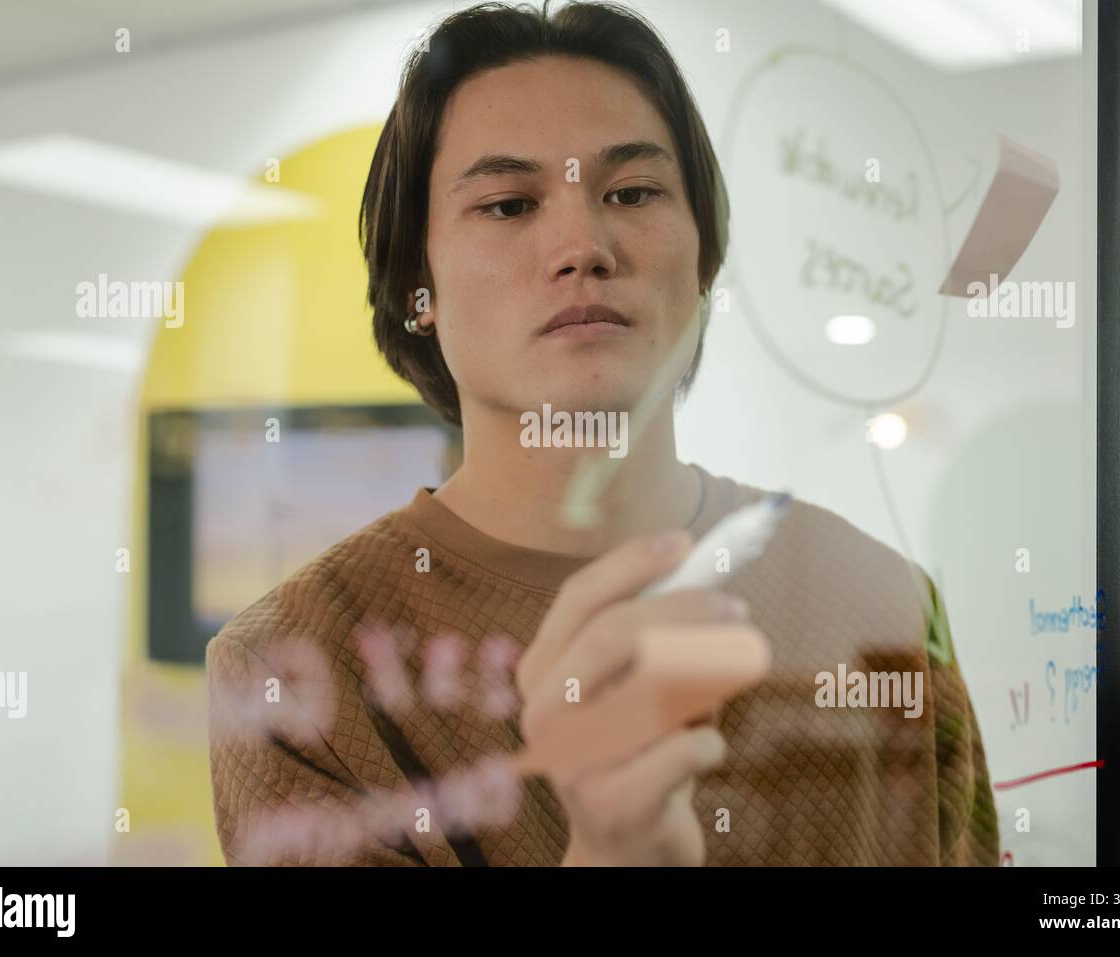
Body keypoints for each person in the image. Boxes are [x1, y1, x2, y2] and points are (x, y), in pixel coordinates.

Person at [206, 0, 999, 866]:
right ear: (415, 289)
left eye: (633, 192)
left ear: (704, 261)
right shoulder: (292, 665)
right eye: (509, 205)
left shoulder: (878, 600)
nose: (583, 245)